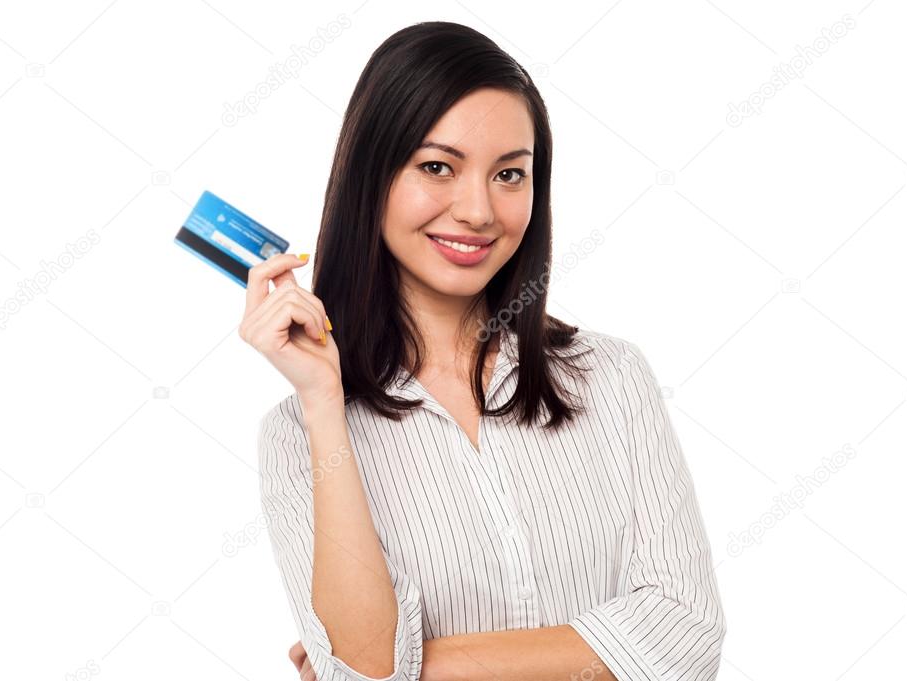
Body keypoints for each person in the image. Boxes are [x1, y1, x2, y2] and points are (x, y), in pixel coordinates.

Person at [240, 20, 726, 681]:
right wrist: (323, 399)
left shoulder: (610, 378)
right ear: (370, 175)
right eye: (436, 166)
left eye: (508, 174)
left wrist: (416, 666)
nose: (477, 209)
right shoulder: (299, 433)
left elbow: (686, 637)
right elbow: (368, 665)